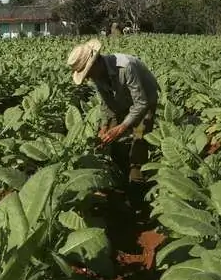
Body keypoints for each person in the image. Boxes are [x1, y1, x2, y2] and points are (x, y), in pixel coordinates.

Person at [66, 39, 159, 183]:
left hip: (145, 96)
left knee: (139, 137)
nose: (88, 77)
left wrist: (122, 127)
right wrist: (104, 127)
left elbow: (141, 103)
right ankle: (120, 174)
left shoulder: (125, 66)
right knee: (110, 136)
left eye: (88, 72)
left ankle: (137, 180)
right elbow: (105, 103)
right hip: (121, 97)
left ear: (96, 62)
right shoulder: (96, 75)